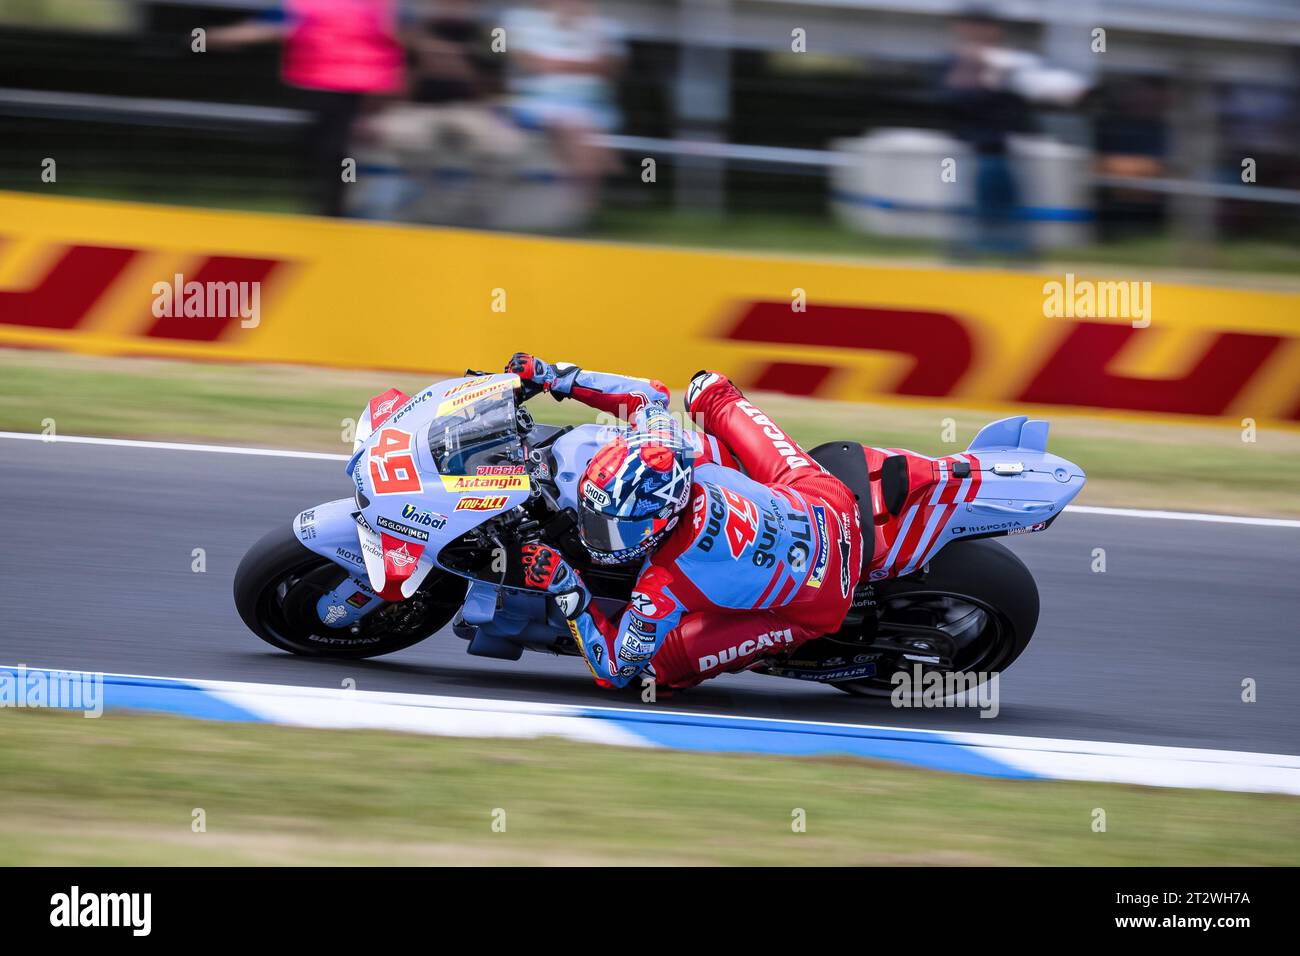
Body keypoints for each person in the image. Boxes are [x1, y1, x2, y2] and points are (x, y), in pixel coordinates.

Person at [505, 353, 863, 691]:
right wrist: (554, 377)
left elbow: (615, 669)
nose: (595, 537)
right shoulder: (669, 444)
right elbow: (648, 396)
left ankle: (784, 639)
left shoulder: (663, 583)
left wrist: (567, 586)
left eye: (617, 529)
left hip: (822, 601)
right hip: (828, 501)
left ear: (662, 519)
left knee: (651, 671)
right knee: (708, 390)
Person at [207, 0, 405, 217]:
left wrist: (207, 37)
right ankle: (339, 207)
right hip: (348, 90)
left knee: (338, 152)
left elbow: (263, 29)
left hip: (346, 91)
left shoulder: (307, 4)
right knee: (340, 153)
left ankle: (337, 207)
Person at [501, 0, 625, 199]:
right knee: (578, 128)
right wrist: (586, 65)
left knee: (582, 127)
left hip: (592, 107)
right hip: (536, 104)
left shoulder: (604, 28)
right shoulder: (520, 20)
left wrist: (555, 63)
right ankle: (578, 205)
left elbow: (609, 68)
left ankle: (573, 208)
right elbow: (530, 64)